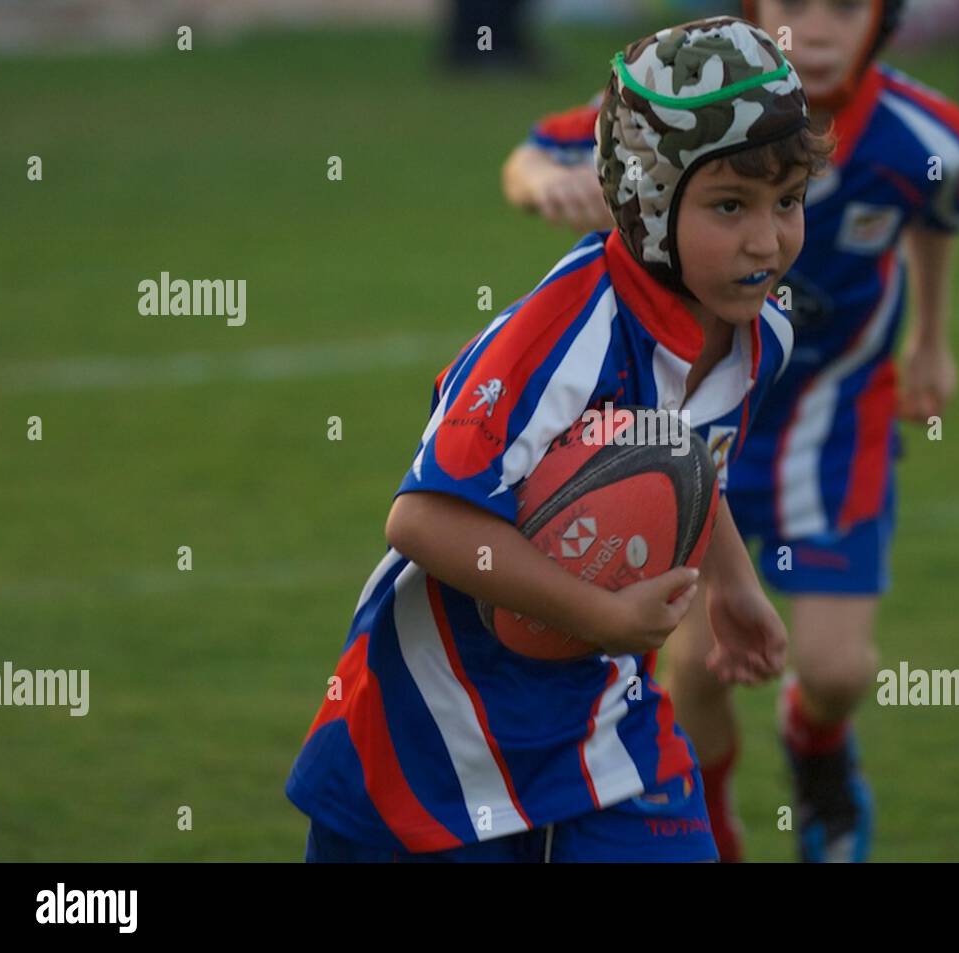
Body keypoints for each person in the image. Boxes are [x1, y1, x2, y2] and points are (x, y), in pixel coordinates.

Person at [286, 15, 833, 862]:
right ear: (651, 203)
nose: (768, 240)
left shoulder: (761, 331)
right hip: (434, 733)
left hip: (600, 718)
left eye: (787, 202)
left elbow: (682, 461)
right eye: (731, 206)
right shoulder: (569, 334)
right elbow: (423, 521)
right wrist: (603, 612)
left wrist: (734, 583)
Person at [502, 0, 959, 862]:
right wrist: (544, 183)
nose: (821, 30)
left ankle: (817, 751)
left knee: (836, 670)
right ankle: (714, 827)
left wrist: (932, 340)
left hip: (835, 420)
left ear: (887, 19)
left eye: (846, 7)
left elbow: (936, 220)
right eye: (795, 6)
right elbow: (537, 150)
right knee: (693, 670)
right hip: (691, 419)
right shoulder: (697, 99)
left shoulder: (928, 137)